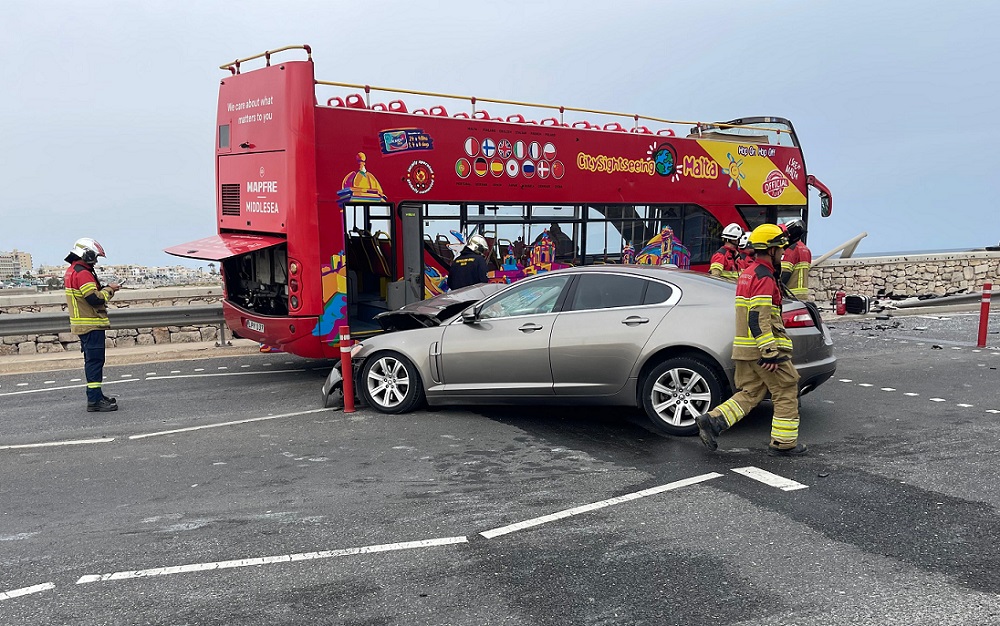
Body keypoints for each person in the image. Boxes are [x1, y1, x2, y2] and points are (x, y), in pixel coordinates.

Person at [695, 223, 807, 456]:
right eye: (780, 248)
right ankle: (784, 444)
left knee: (750, 393)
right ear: (772, 249)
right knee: (786, 390)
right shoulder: (764, 277)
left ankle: (713, 421)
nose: (783, 253)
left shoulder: (747, 274)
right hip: (761, 349)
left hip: (744, 349)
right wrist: (769, 352)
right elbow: (758, 317)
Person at [64, 238, 121, 412]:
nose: (95, 261)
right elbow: (94, 299)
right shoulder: (83, 273)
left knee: (92, 361)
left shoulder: (72, 271)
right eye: (94, 257)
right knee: (95, 362)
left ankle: (96, 395)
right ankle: (94, 401)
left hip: (83, 324)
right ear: (87, 254)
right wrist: (110, 290)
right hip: (90, 324)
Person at [780, 219, 812, 300]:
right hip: (803, 296)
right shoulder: (806, 250)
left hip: (790, 295)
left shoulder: (791, 250)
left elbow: (785, 274)